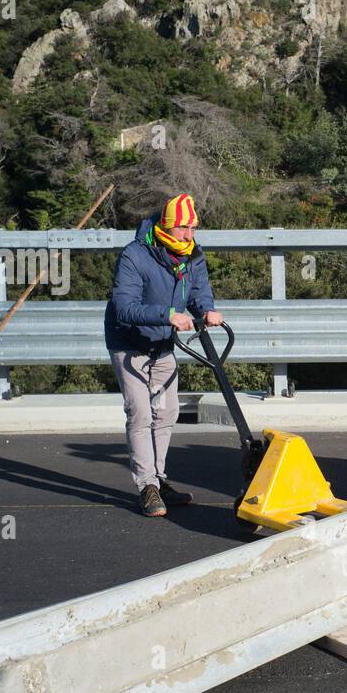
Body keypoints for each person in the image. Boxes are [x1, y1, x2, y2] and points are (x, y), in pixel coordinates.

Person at [104, 193, 223, 518]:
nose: (189, 234)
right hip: (128, 341)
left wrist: (208, 310)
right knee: (140, 412)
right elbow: (124, 307)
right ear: (168, 226)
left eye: (193, 227)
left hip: (163, 341)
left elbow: (199, 292)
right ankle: (147, 487)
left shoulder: (193, 256)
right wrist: (168, 315)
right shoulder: (135, 255)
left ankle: (160, 479)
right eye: (183, 227)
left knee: (168, 411)